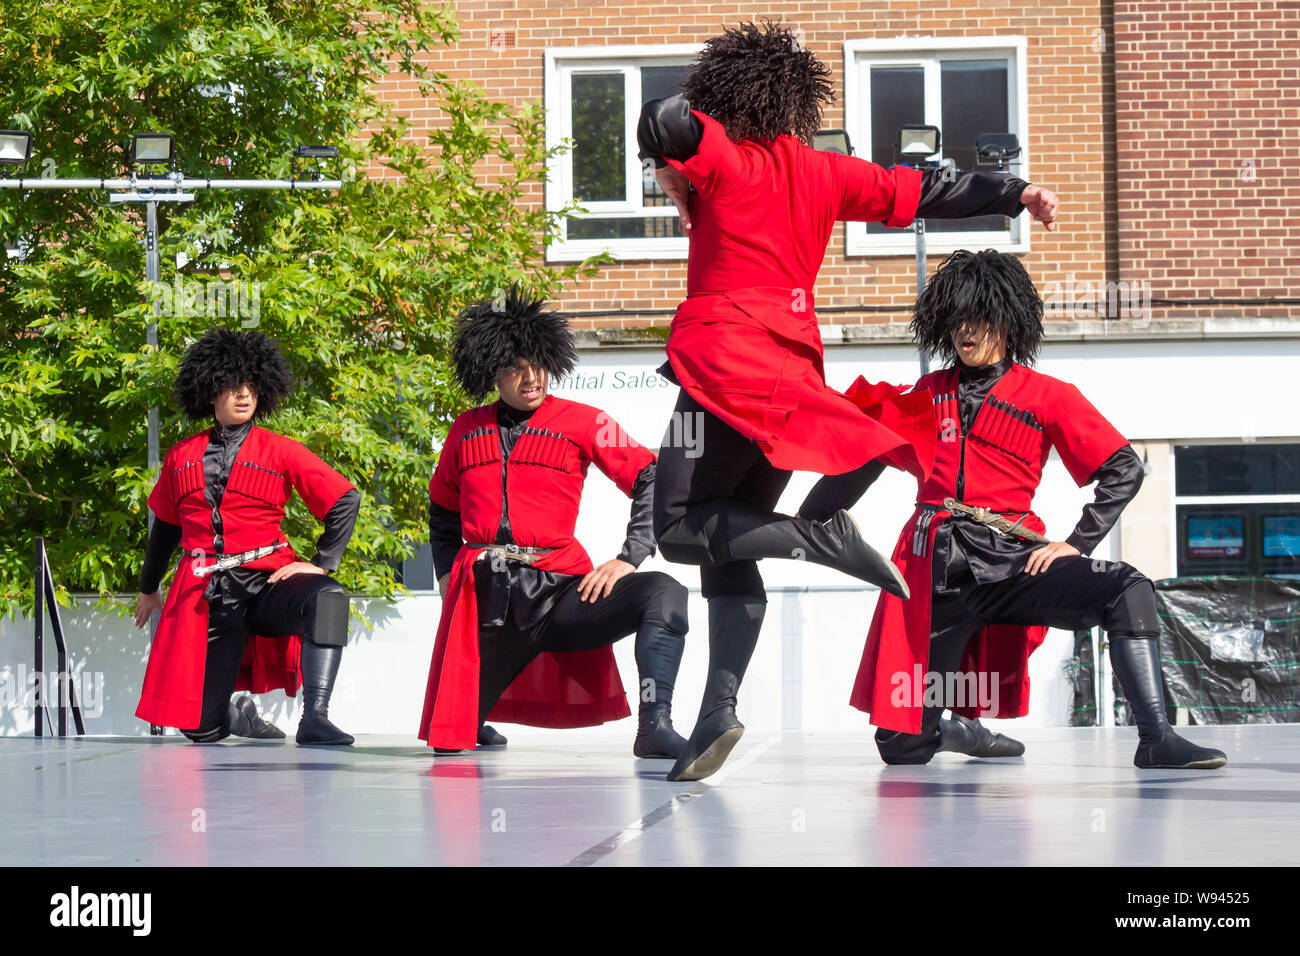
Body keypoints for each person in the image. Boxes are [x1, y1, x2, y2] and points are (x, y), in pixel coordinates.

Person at [635, 18, 1062, 781]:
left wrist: (676, 155)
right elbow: (930, 188)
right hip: (792, 372)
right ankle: (716, 716)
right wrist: (1015, 190)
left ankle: (819, 539)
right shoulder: (827, 171)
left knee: (675, 528)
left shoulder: (722, 155)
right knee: (726, 549)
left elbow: (664, 117)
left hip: (728, 366)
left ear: (726, 96)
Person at [800, 249, 1227, 770]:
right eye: (956, 319)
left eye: (978, 318)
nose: (966, 331)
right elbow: (861, 457)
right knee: (901, 748)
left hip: (1013, 565)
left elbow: (1125, 469)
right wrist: (801, 528)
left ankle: (1156, 738)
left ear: (1006, 321)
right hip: (932, 576)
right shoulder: (924, 395)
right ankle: (963, 733)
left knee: (1128, 587)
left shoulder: (1049, 396)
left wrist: (1076, 544)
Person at [418, 286, 690, 759]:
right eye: (514, 369)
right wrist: (444, 572)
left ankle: (655, 726)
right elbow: (442, 508)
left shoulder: (585, 421)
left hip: (564, 593)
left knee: (665, 592)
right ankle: (475, 716)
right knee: (451, 743)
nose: (530, 378)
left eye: (537, 365)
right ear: (491, 373)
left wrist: (630, 557)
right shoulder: (466, 428)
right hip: (488, 601)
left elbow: (650, 474)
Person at [133, 329, 360, 745]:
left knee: (328, 596)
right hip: (208, 595)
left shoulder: (281, 449)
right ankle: (237, 715)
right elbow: (165, 525)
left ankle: (315, 719)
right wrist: (149, 588)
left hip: (268, 582)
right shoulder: (181, 456)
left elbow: (344, 498)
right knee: (201, 731)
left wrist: (322, 561)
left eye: (250, 386)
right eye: (232, 386)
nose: (243, 394)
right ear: (209, 391)